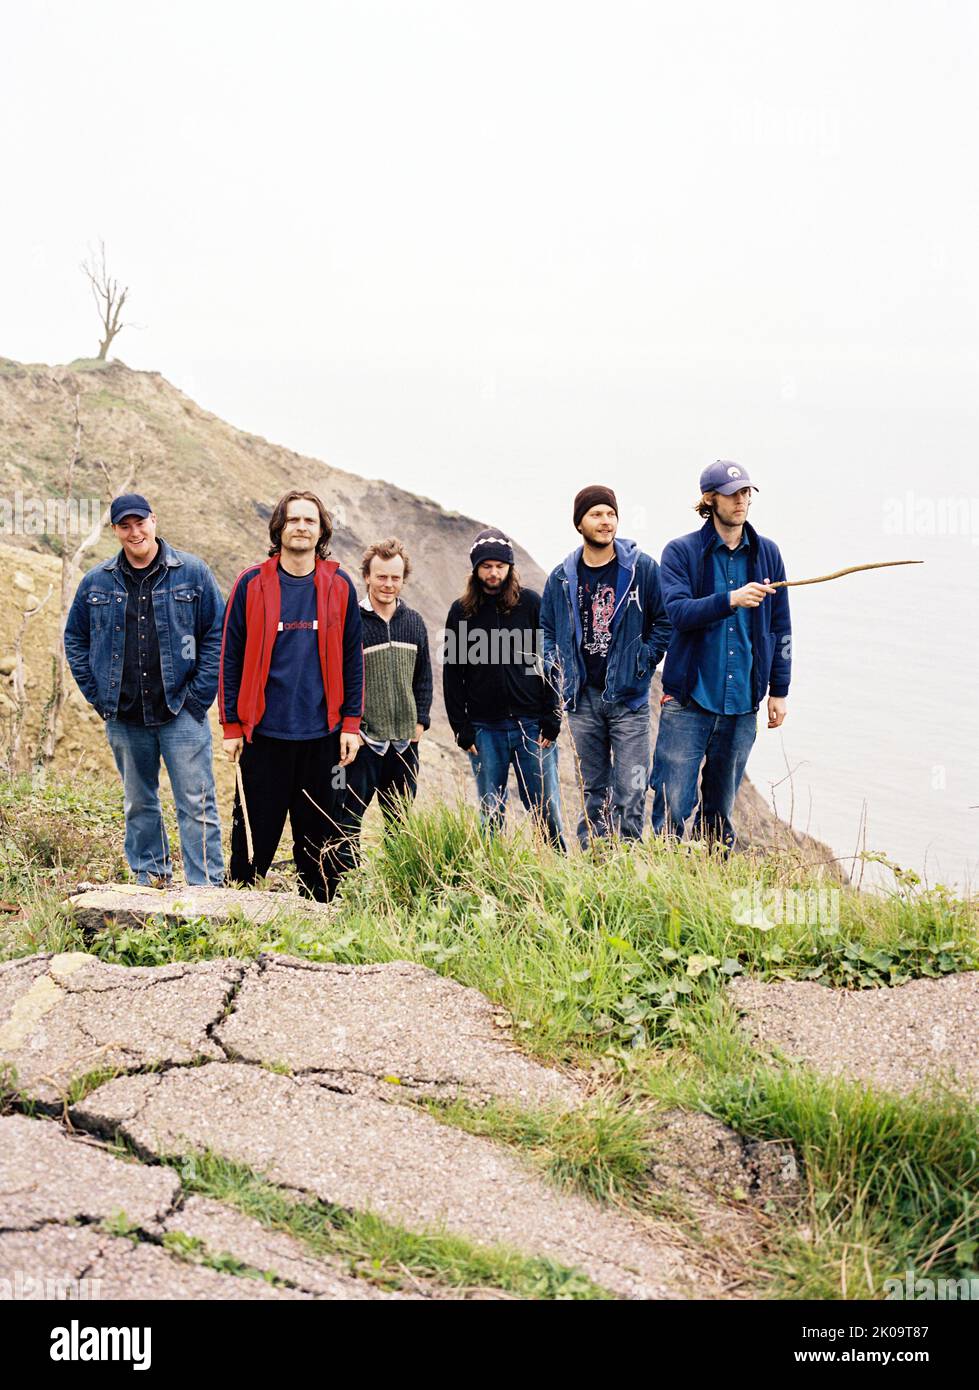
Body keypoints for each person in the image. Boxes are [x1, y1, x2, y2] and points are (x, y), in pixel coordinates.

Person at [64, 493, 225, 886]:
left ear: (154, 521)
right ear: (116, 530)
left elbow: (216, 636)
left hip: (180, 712)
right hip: (125, 716)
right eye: (125, 525)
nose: (134, 532)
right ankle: (151, 881)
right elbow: (75, 640)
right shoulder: (96, 582)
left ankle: (206, 888)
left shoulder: (193, 573)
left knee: (197, 802)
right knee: (139, 803)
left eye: (140, 522)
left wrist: (197, 698)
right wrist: (101, 697)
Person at [218, 489, 363, 901]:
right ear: (279, 527)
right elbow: (230, 656)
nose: (301, 527)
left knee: (318, 838)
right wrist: (231, 725)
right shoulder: (251, 584)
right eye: (294, 519)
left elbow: (354, 657)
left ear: (321, 532)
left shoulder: (338, 585)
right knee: (255, 836)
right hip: (263, 736)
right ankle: (241, 914)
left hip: (322, 735)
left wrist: (351, 723)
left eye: (310, 521)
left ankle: (319, 913)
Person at [649, 460, 791, 850]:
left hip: (742, 702)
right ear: (710, 500)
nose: (742, 500)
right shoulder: (681, 552)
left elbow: (780, 626)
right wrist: (730, 600)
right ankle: (665, 882)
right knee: (673, 805)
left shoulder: (768, 554)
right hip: (689, 700)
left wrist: (779, 690)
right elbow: (677, 612)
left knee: (719, 812)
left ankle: (711, 885)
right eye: (732, 494)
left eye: (747, 492)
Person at [540, 486, 671, 847]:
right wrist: (558, 664)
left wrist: (643, 661)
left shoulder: (641, 569)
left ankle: (627, 863)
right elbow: (547, 628)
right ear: (579, 523)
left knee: (631, 789)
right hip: (582, 701)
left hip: (629, 700)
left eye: (610, 514)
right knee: (594, 791)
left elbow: (664, 622)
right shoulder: (562, 577)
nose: (605, 521)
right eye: (596, 514)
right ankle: (595, 863)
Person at [443, 528, 565, 848]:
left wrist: (552, 718)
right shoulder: (461, 612)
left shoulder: (531, 604)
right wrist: (461, 728)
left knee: (546, 811)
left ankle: (560, 870)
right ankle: (493, 877)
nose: (493, 572)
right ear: (476, 569)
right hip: (485, 730)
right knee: (491, 814)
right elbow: (453, 674)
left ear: (510, 567)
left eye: (500, 565)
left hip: (532, 728)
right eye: (486, 566)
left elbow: (551, 663)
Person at [336, 538, 432, 867]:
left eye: (395, 577)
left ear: (403, 578)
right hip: (364, 742)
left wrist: (420, 722)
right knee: (348, 820)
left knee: (400, 825)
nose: (388, 584)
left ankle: (396, 887)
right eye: (381, 577)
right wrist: (352, 728)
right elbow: (339, 680)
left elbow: (424, 678)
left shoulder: (414, 622)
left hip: (405, 744)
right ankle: (348, 887)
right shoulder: (352, 622)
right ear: (367, 576)